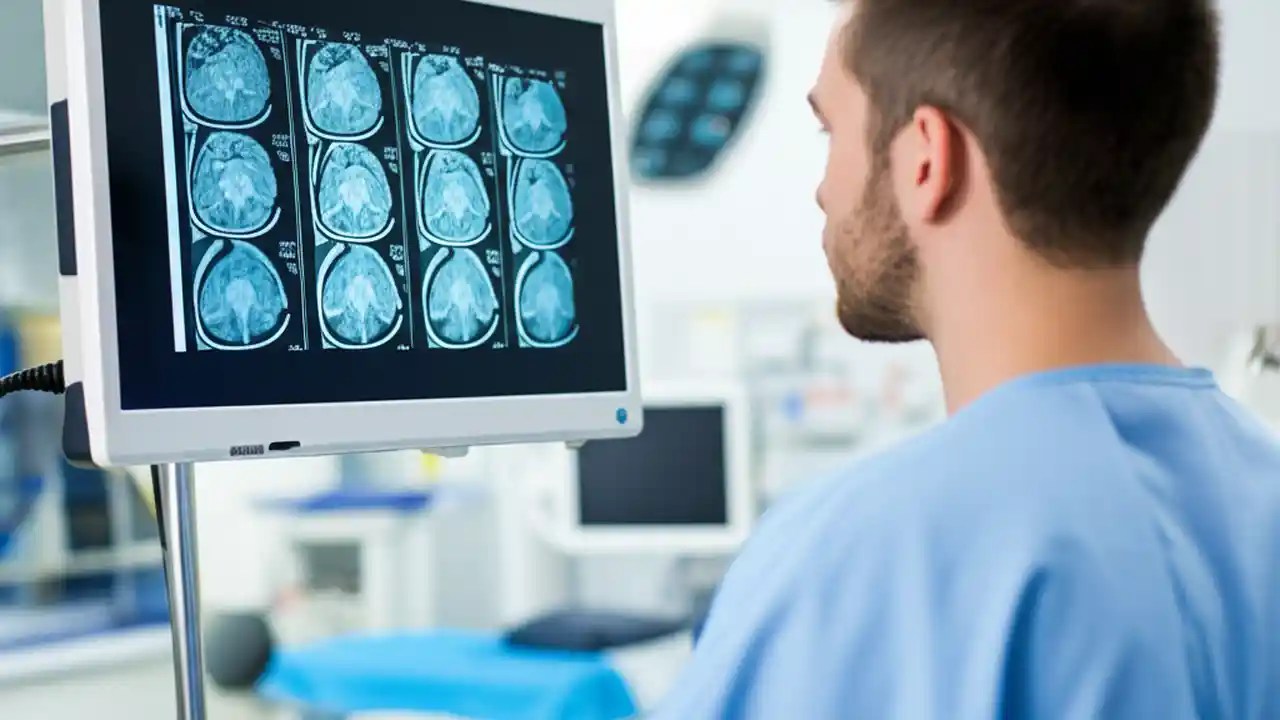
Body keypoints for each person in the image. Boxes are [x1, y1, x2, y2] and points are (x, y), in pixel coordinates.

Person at [655, 1, 1280, 718]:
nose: (822, 188)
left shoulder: (851, 559)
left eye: (830, 131)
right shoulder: (1263, 498)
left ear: (927, 158)